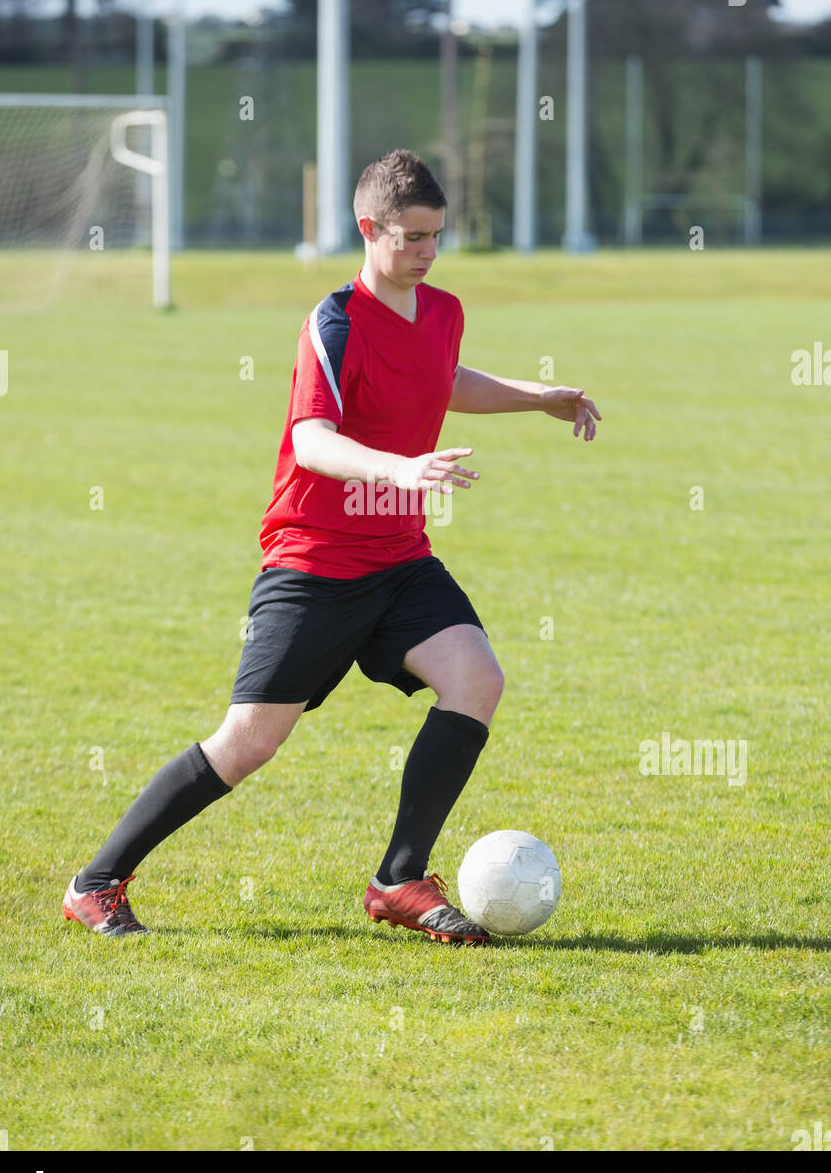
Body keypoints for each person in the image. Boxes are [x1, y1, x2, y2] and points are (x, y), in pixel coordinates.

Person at [62, 148, 600, 944]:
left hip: (400, 558)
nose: (427, 251)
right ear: (368, 228)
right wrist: (403, 466)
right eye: (412, 236)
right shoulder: (334, 322)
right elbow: (312, 440)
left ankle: (399, 880)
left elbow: (440, 377)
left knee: (476, 678)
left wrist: (537, 398)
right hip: (312, 562)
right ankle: (96, 882)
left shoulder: (442, 310)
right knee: (249, 743)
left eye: (436, 237)